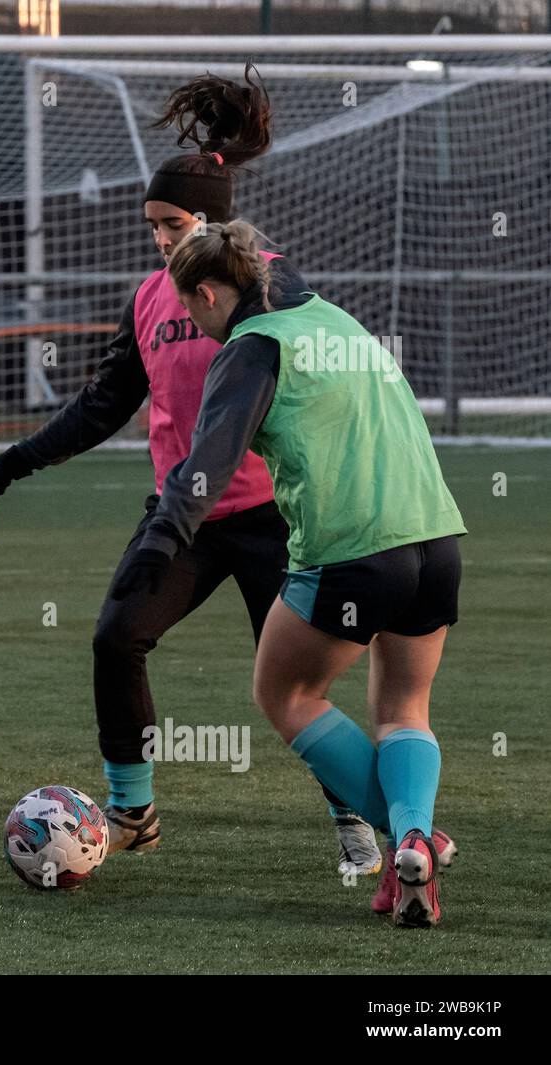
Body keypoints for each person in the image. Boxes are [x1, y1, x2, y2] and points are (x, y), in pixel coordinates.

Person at [0, 68, 448, 879]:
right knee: (117, 635)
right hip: (184, 517)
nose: (160, 239)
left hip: (281, 522)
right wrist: (2, 471)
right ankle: (133, 810)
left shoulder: (269, 284)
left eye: (173, 223)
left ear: (214, 224)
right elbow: (101, 407)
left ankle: (354, 818)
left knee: (295, 688)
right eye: (149, 225)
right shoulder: (150, 299)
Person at [126, 218, 466, 926]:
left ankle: (413, 836)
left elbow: (207, 466)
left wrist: (161, 541)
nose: (192, 321)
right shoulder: (334, 317)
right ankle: (410, 867)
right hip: (437, 539)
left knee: (286, 691)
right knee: (404, 708)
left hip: (353, 553)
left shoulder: (252, 350)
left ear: (211, 291)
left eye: (190, 306)